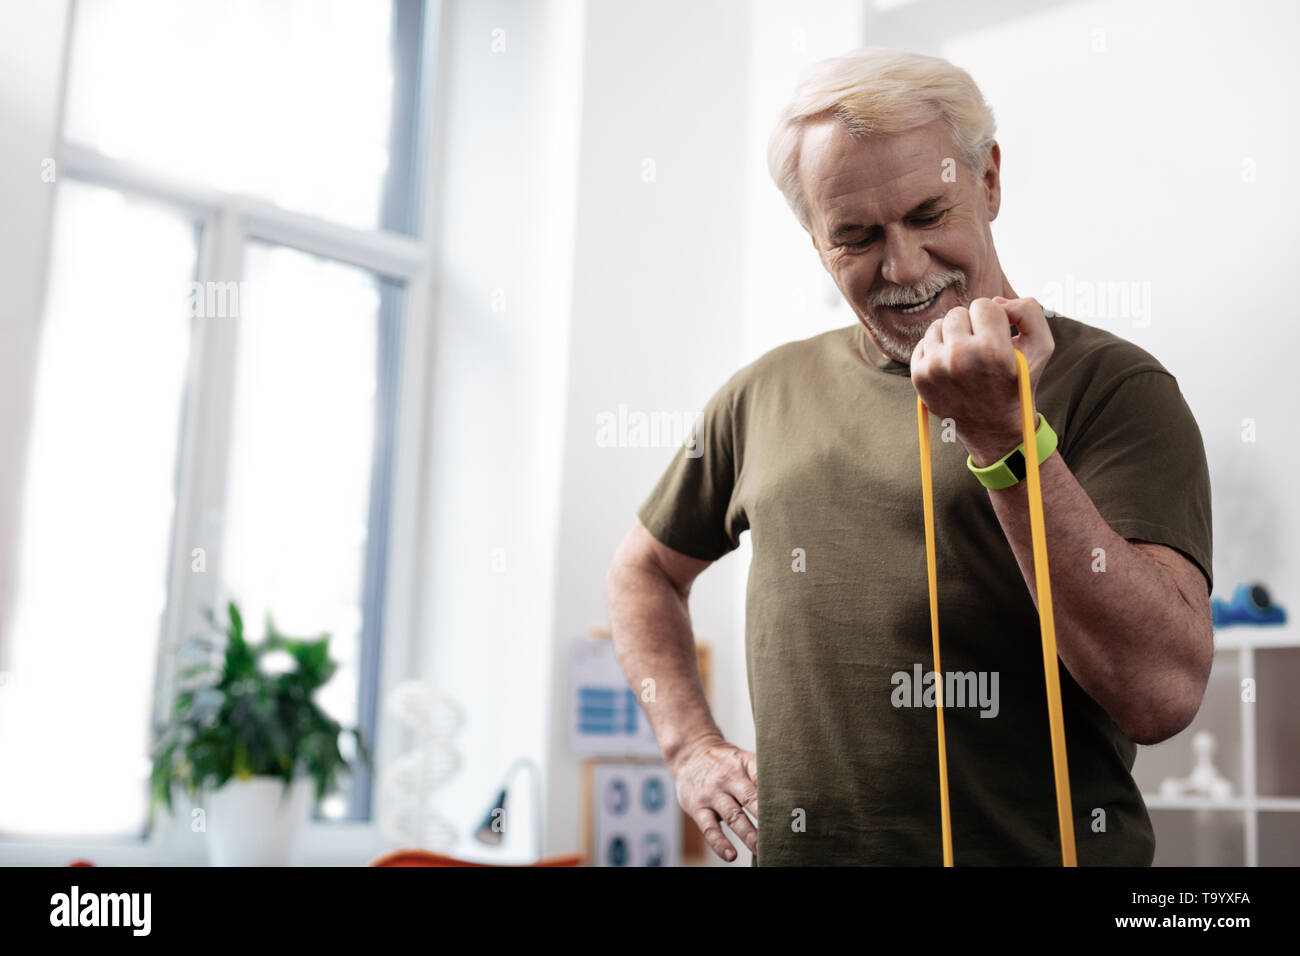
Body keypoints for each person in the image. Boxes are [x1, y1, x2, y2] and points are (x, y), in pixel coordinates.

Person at [604, 48, 1213, 866]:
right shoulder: (764, 393)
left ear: (988, 181)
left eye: (928, 215)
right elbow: (642, 571)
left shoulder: (1113, 385)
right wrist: (689, 749)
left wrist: (1005, 437)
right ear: (816, 242)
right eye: (855, 235)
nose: (903, 266)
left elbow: (1161, 696)